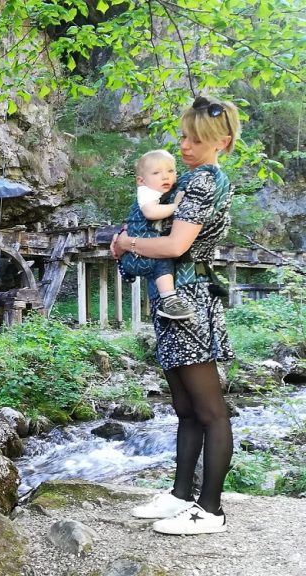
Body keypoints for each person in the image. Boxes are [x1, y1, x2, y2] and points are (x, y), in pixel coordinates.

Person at [111, 95, 241, 535]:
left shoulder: (204, 182)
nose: (184, 146)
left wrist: (126, 243)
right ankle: (180, 494)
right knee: (185, 406)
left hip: (189, 302)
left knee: (210, 409)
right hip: (177, 300)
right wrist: (129, 237)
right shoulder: (191, 179)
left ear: (220, 142)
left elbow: (174, 246)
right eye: (183, 136)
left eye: (195, 139)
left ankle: (210, 510)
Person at [119, 149, 192, 320]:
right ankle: (170, 301)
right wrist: (176, 206)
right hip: (141, 255)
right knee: (163, 258)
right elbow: (151, 212)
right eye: (156, 173)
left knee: (162, 258)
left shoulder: (157, 191)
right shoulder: (146, 192)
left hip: (136, 253)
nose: (165, 177)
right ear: (141, 181)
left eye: (171, 171)